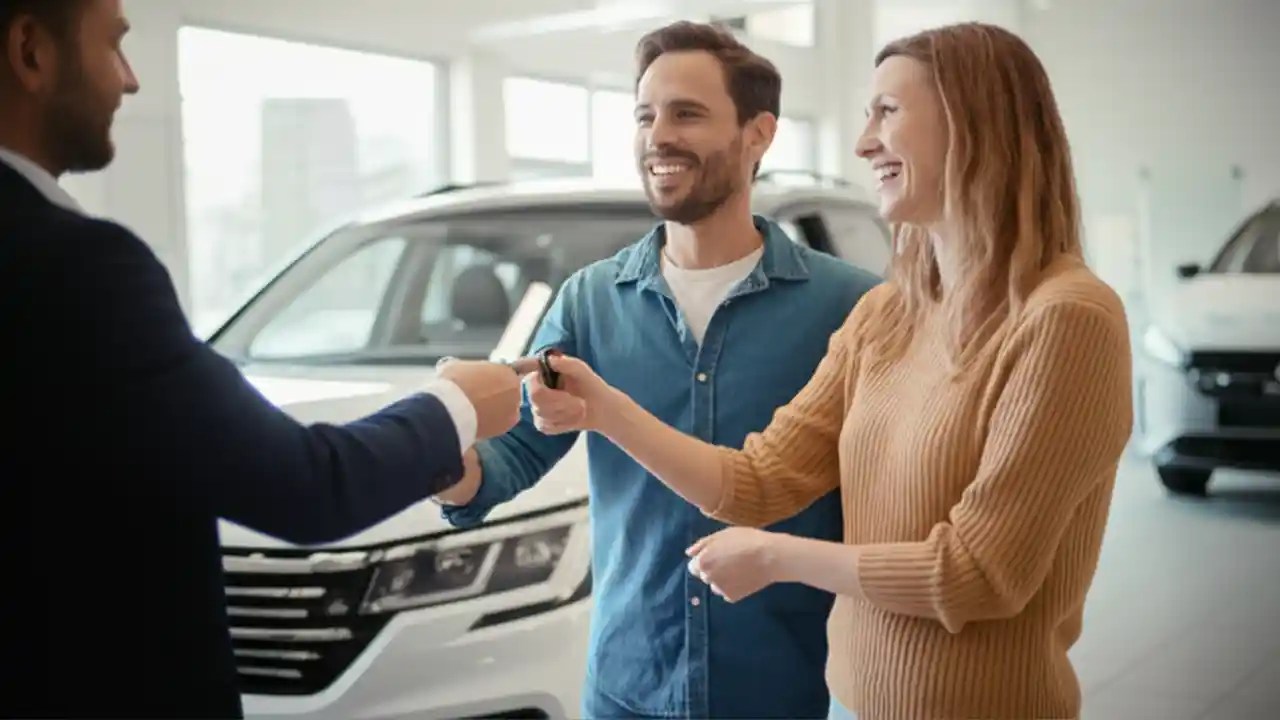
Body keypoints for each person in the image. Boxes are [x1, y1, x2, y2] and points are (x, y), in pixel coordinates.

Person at [524, 22, 1134, 720]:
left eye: (888, 111)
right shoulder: (890, 315)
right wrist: (604, 409)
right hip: (850, 705)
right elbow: (758, 480)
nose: (864, 141)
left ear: (974, 121)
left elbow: (980, 575)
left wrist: (781, 558)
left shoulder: (1066, 319)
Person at [0, 1, 531, 716]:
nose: (129, 80)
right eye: (114, 46)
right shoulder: (78, 266)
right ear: (30, 50)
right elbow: (310, 485)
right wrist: (459, 404)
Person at [432, 20, 881, 720]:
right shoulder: (589, 300)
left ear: (758, 134)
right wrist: (439, 446)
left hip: (783, 694)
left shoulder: (848, 306)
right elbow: (508, 459)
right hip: (626, 693)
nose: (658, 136)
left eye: (687, 114)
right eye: (645, 115)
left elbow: (887, 499)